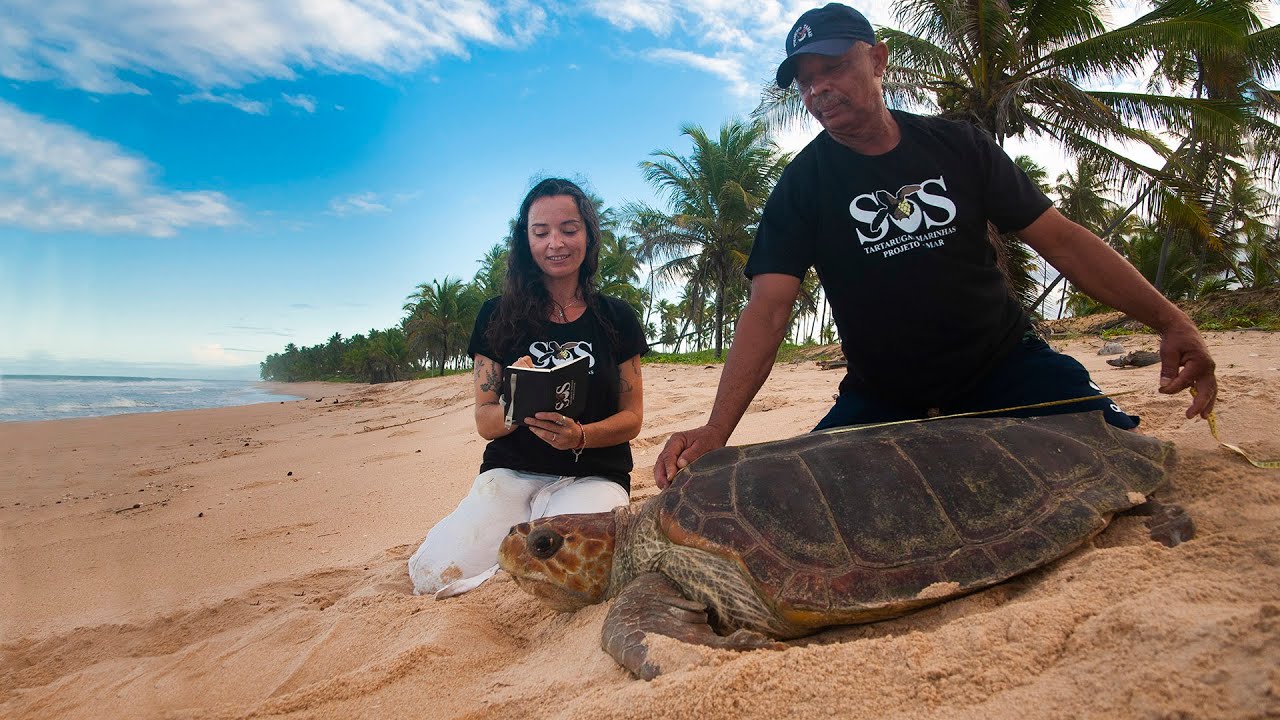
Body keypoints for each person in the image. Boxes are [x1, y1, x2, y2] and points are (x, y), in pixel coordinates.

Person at [654, 2, 1217, 488]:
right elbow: (768, 308)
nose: (818, 89)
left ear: (878, 59)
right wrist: (717, 428)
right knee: (810, 495)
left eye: (833, 68)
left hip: (1005, 368)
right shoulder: (802, 186)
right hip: (885, 397)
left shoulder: (958, 145)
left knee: (1123, 457)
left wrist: (1172, 322)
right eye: (805, 81)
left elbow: (1064, 242)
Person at [410, 177, 647, 597]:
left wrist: (581, 436)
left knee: (574, 572)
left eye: (569, 229)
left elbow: (632, 418)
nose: (556, 243)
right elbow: (485, 420)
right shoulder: (496, 316)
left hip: (595, 474)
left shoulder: (617, 318)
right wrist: (516, 401)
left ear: (589, 236)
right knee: (433, 575)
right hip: (512, 470)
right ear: (526, 240)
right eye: (541, 232)